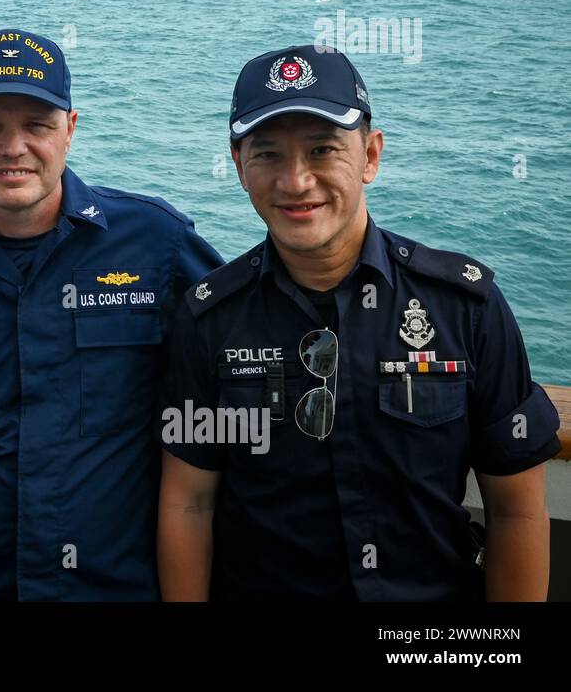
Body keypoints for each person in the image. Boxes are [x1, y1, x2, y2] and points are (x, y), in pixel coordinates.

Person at [157, 44, 561, 601]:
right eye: (268, 155)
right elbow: (189, 501)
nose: (296, 182)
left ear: (370, 155)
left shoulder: (464, 308)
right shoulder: (209, 320)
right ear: (238, 166)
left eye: (322, 150)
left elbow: (516, 510)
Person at [0, 29, 222, 601]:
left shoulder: (157, 243)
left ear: (70, 129)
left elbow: (243, 352)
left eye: (36, 125)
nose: (13, 147)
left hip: (114, 588)